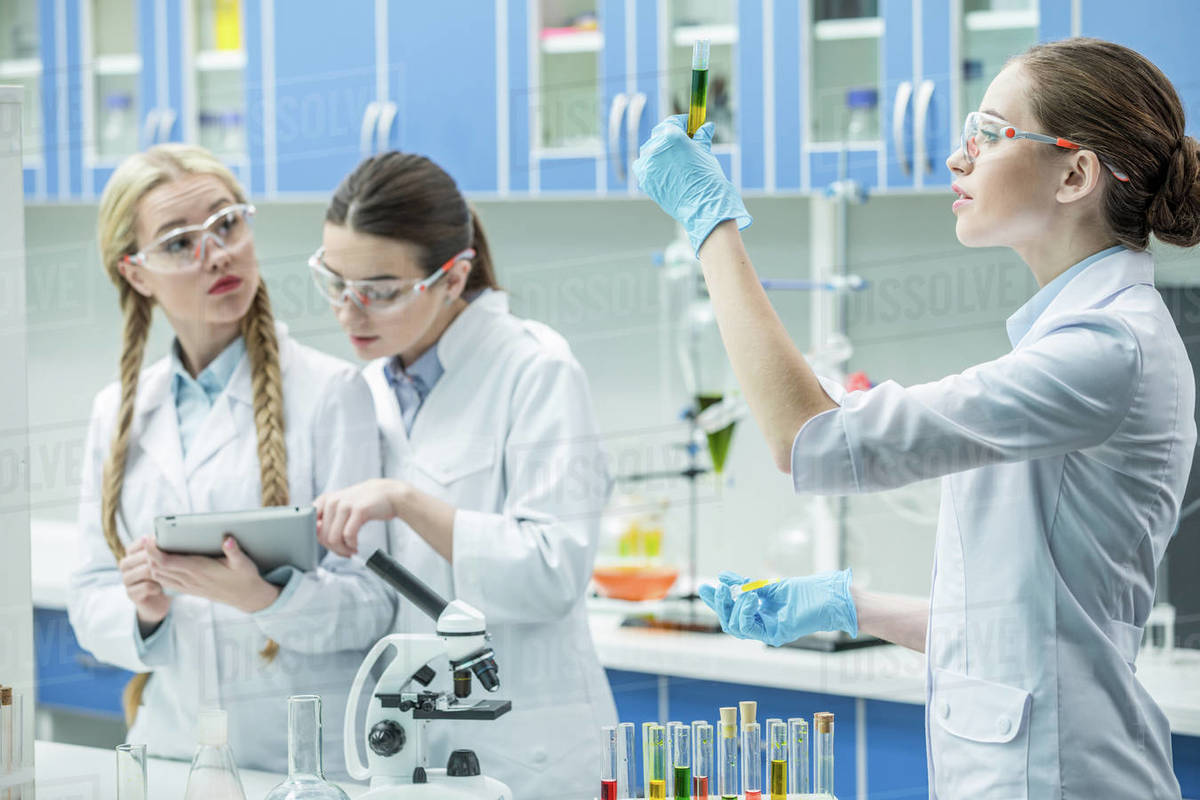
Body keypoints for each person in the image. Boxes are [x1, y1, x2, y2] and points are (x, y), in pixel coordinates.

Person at [634, 37, 1200, 799]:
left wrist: (710, 224)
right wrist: (848, 605)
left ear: (1076, 174)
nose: (957, 160)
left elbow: (809, 439)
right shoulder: (1077, 337)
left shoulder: (1105, 348)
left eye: (991, 133)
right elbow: (1023, 626)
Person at [68, 144, 394, 776]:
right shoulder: (117, 413)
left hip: (303, 763)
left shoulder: (334, 394)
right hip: (172, 751)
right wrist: (144, 612)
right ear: (136, 273)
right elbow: (88, 596)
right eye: (178, 243)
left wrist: (264, 598)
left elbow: (372, 605)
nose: (216, 253)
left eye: (226, 224)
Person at [309, 151, 617, 796]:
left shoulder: (536, 370)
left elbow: (552, 570)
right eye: (334, 281)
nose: (349, 309)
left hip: (527, 754)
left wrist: (405, 501)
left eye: (380, 291)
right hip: (412, 745)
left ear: (454, 277)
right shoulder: (369, 387)